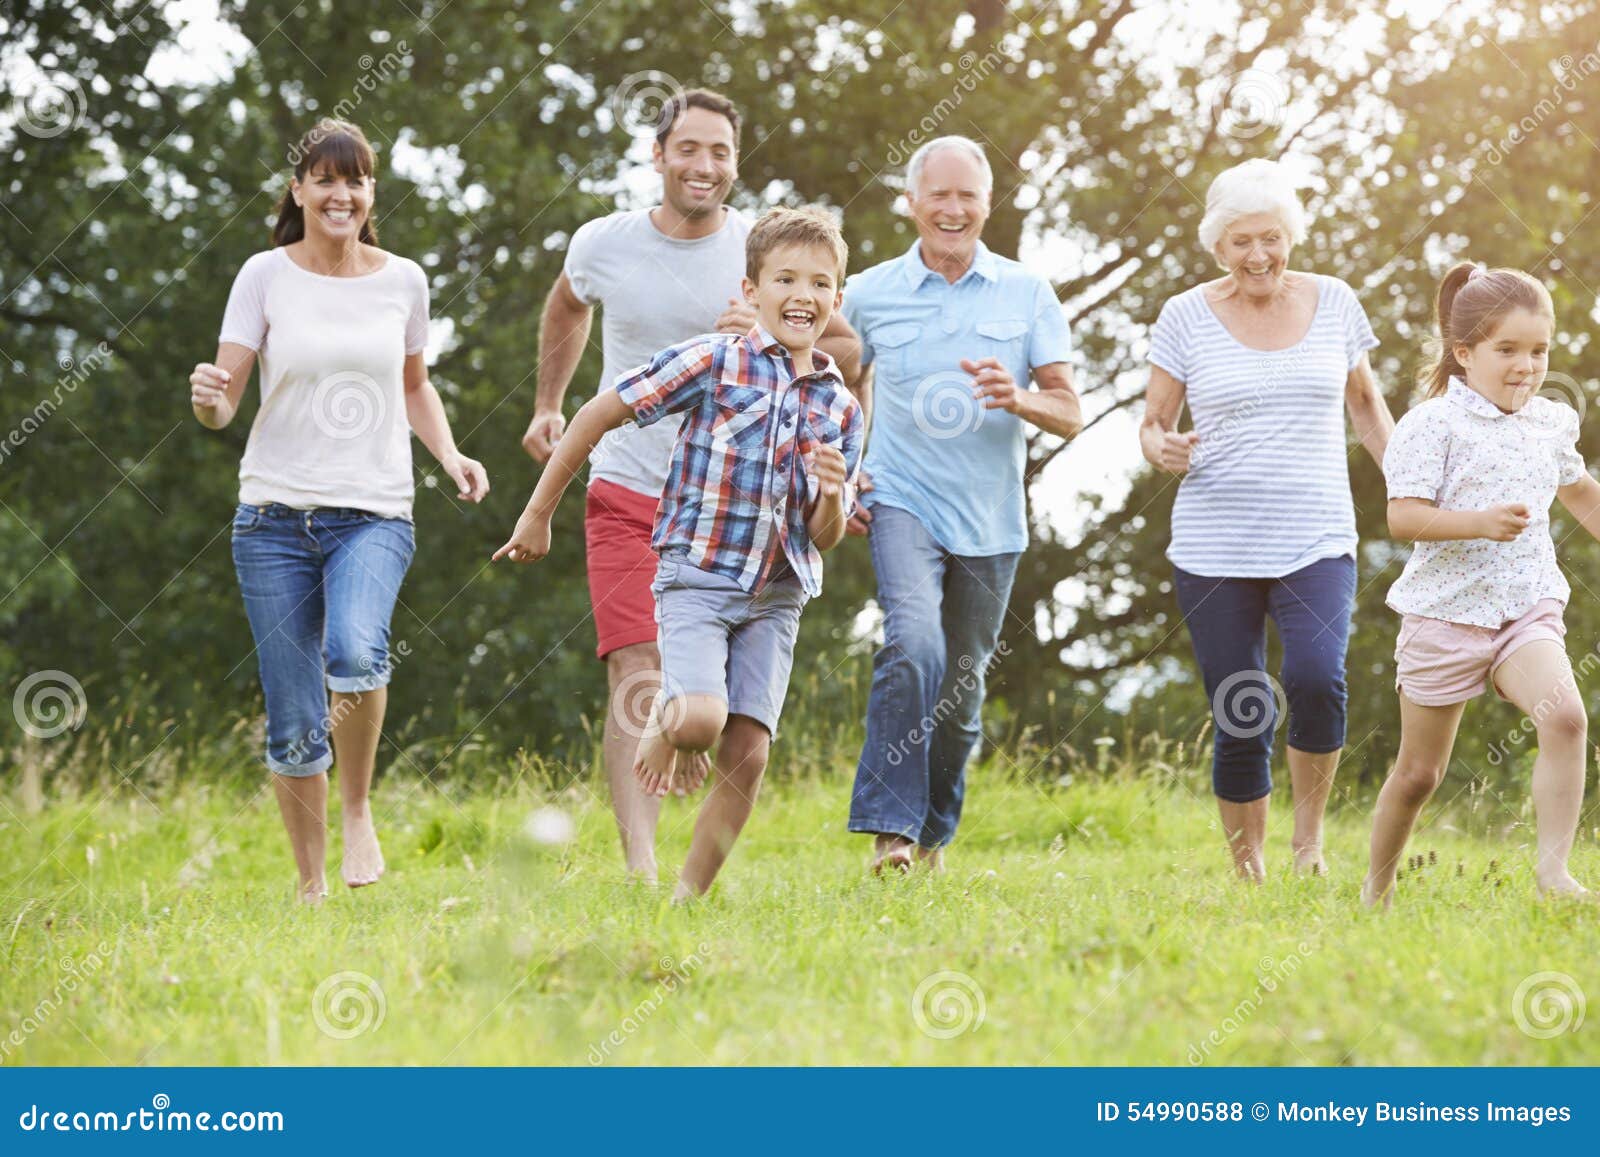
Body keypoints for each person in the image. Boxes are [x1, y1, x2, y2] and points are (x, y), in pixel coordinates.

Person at [519, 88, 861, 882]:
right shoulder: (605, 242)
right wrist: (546, 402)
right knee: (638, 671)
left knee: (729, 728)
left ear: (736, 162)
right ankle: (642, 866)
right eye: (689, 149)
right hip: (630, 489)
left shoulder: (768, 249)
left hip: (750, 526)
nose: (704, 165)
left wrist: (837, 471)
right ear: (659, 154)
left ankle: (688, 869)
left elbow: (844, 348)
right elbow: (567, 306)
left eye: (720, 152)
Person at [189, 119, 489, 904]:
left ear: (371, 192)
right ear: (298, 191)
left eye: (355, 180)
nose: (340, 194)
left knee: (356, 652)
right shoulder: (264, 275)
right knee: (293, 714)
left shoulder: (404, 280)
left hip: (374, 511)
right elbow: (223, 402)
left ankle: (358, 809)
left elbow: (415, 384)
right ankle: (312, 886)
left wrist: (450, 455)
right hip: (271, 516)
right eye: (324, 179)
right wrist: (208, 401)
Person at [1139, 157, 1392, 880]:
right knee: (1241, 704)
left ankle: (1308, 844)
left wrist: (1412, 486)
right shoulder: (1185, 315)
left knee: (1316, 677)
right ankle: (1246, 867)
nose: (1258, 255)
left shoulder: (1334, 301)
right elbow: (1153, 423)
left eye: (1271, 238)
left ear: (1291, 237)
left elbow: (1366, 405)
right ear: (1218, 246)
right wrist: (1163, 448)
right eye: (1242, 241)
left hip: (1316, 536)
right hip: (1214, 545)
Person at [843, 136, 1083, 874]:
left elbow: (1070, 412)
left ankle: (932, 838)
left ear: (987, 203)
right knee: (913, 643)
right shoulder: (867, 292)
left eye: (967, 196)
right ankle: (890, 831)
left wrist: (1019, 397)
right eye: (938, 195)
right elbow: (838, 383)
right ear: (911, 202)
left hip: (990, 518)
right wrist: (846, 472)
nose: (953, 210)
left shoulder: (1027, 292)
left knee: (961, 688)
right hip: (900, 497)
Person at [1364, 263, 1599, 905]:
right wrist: (1479, 523)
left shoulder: (1550, 422)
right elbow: (1403, 517)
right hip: (1444, 616)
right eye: (1508, 350)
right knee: (1419, 774)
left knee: (1566, 719)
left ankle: (1554, 876)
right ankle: (1375, 895)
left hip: (1525, 609)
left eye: (1539, 351)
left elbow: (1580, 492)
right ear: (1464, 353)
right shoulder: (1431, 425)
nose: (1527, 366)